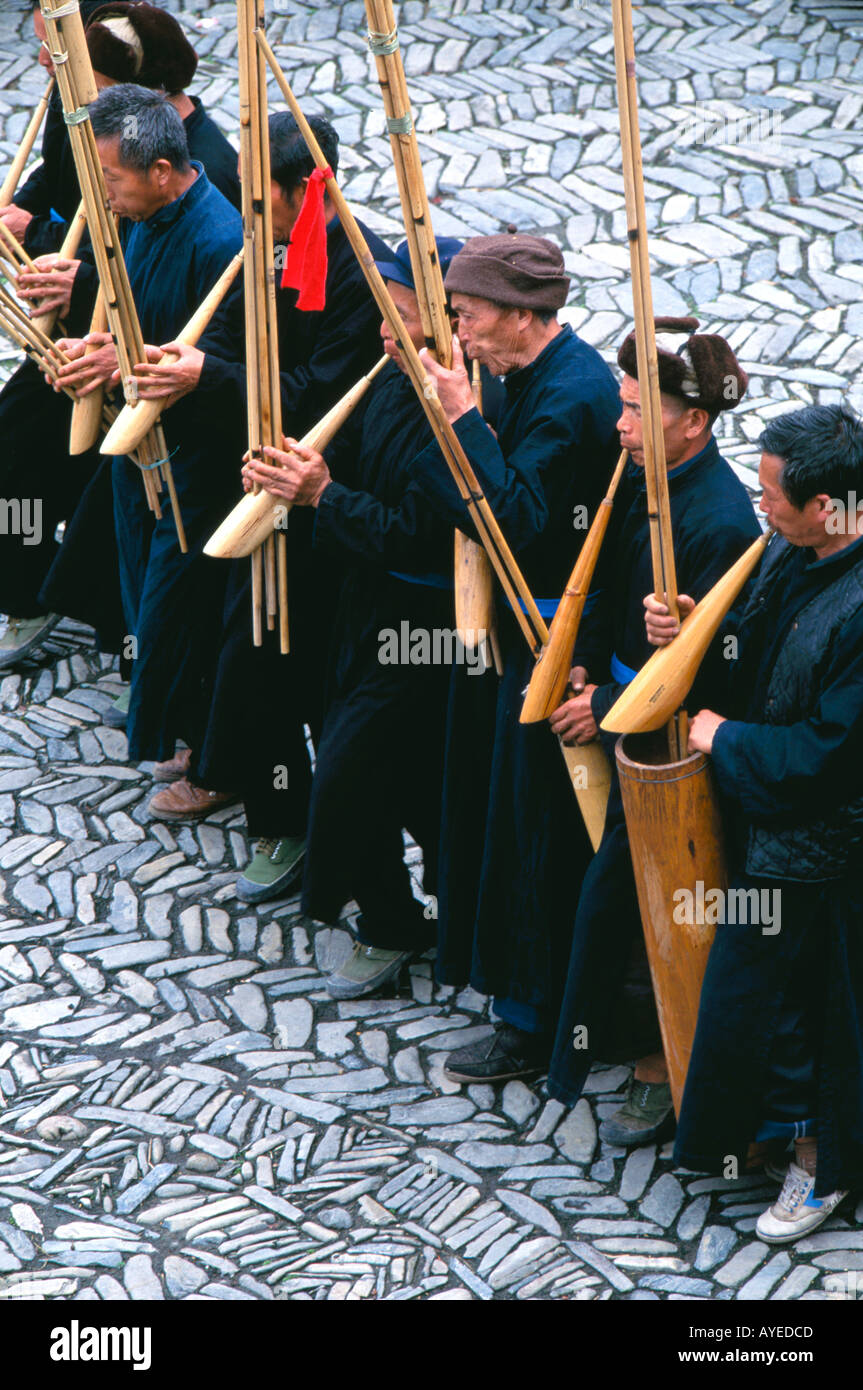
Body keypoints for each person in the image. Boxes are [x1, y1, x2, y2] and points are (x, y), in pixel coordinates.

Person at [359, 232, 622, 1016]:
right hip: (515, 628)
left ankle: (537, 1010)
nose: (459, 334)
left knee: (530, 832)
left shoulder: (571, 393)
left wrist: (462, 421)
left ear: (519, 315)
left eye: (468, 316)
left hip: (550, 639)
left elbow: (517, 520)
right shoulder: (523, 370)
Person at [139, 114, 391, 915]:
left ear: (300, 190)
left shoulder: (358, 271)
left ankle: (316, 830)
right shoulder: (269, 243)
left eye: (260, 191)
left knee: (291, 665)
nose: (245, 203)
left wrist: (210, 374)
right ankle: (266, 797)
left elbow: (316, 395)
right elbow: (226, 331)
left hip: (322, 498)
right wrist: (185, 360)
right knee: (240, 643)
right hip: (251, 476)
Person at [645, 404, 863, 1243]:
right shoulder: (791, 546)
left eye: (771, 492)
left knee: (807, 1008)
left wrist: (724, 738)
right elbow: (751, 640)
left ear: (824, 506)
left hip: (823, 848)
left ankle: (821, 1163)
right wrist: (693, 624)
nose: (758, 504)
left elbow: (831, 754)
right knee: (760, 1002)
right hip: (763, 820)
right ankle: (773, 1138)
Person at [544, 318, 761, 1140]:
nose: (620, 425)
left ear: (693, 421)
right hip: (617, 712)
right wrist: (584, 669)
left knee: (651, 907)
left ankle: (662, 1061)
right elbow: (598, 579)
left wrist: (606, 709)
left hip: (674, 751)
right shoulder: (639, 477)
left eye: (638, 411)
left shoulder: (717, 520)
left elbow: (717, 671)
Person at [239, 238, 469, 993]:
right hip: (360, 603)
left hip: (423, 625)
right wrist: (293, 473)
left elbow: (419, 534)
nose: (382, 329)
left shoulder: (460, 409)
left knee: (349, 767)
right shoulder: (390, 376)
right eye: (382, 312)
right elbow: (351, 470)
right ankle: (399, 919)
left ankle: (426, 918)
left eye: (400, 316)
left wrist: (322, 496)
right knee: (393, 776)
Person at [0, 1, 240, 669]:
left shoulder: (200, 179)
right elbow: (78, 191)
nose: (51, 72)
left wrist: (79, 290)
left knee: (91, 486)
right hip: (101, 339)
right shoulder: (96, 117)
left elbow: (204, 323)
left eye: (74, 69)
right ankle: (52, 593)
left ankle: (114, 629)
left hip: (147, 373)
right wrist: (32, 217)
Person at [50, 84, 242, 778]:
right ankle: (170, 723)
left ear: (161, 171)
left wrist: (125, 365)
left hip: (194, 459)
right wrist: (93, 344)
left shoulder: (220, 241)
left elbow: (214, 367)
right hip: (142, 455)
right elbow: (127, 311)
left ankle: (210, 754)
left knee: (175, 610)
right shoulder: (139, 214)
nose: (101, 193)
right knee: (141, 593)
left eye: (111, 177)